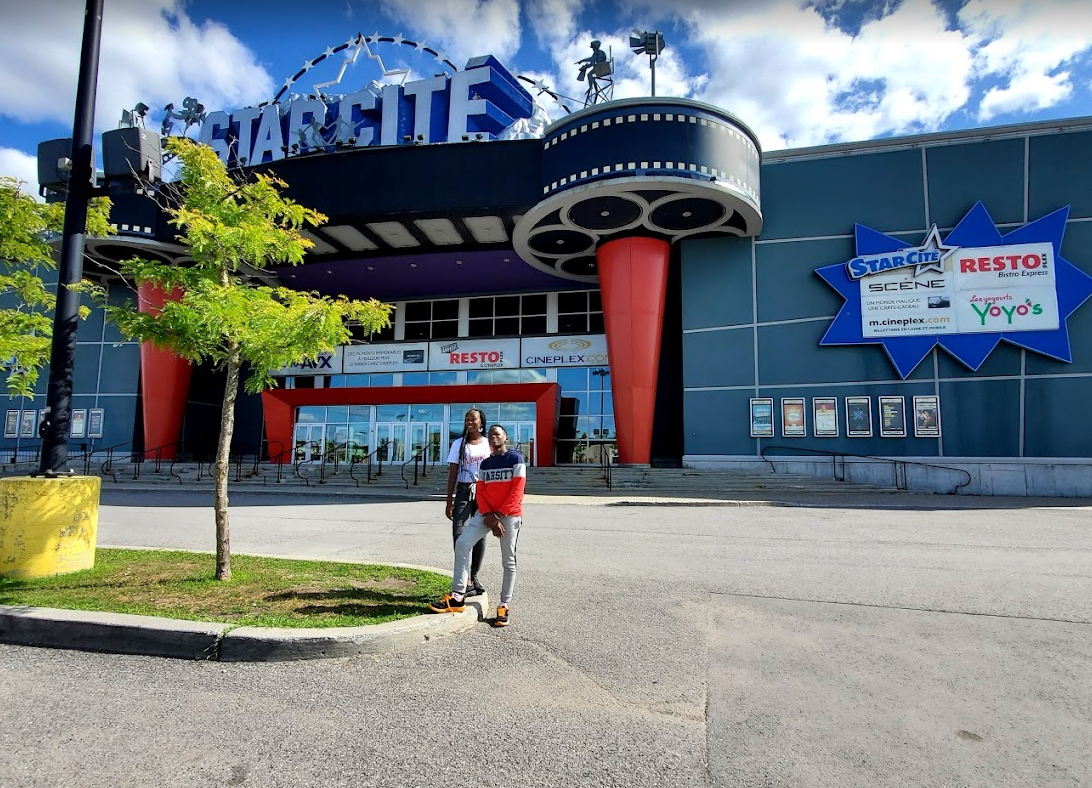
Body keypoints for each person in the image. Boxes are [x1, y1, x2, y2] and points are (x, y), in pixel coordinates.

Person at [430, 424, 525, 628]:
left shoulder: (515, 458)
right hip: (487, 513)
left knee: (508, 560)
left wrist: (498, 516)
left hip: (508, 515)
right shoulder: (485, 464)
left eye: (497, 434)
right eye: (490, 435)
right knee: (463, 543)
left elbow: (517, 491)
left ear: (505, 438)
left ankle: (504, 605)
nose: (493, 437)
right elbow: (480, 492)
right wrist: (489, 516)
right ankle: (457, 597)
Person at [444, 408, 491, 597]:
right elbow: (453, 474)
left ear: (481, 423)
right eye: (467, 419)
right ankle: (466, 581)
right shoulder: (458, 444)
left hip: (483, 491)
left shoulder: (488, 444)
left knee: (480, 535)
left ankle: (474, 577)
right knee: (459, 535)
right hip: (463, 491)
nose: (469, 422)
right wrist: (449, 501)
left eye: (473, 419)